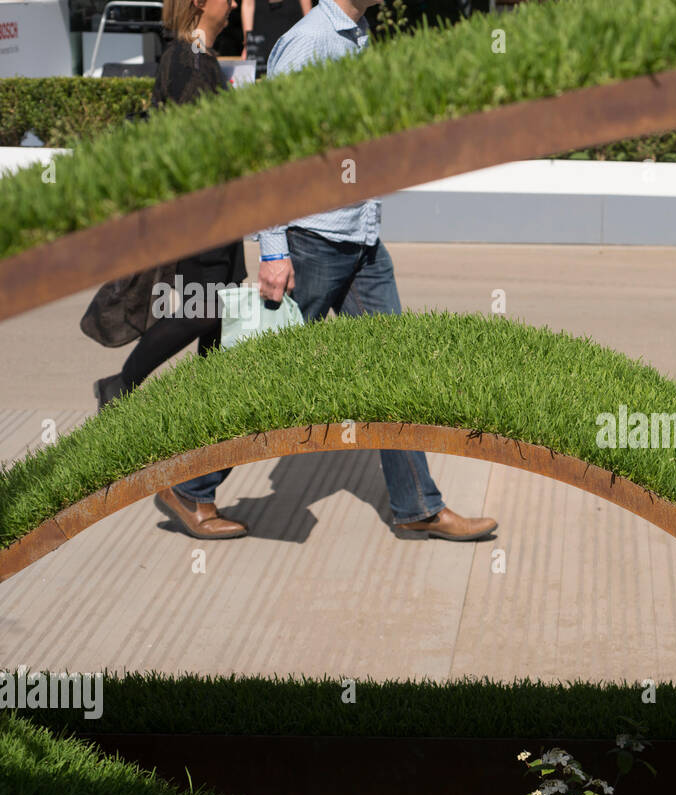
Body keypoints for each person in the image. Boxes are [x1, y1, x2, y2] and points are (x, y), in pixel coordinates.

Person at [257, 0, 497, 542]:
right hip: (313, 239)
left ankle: (416, 505)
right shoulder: (309, 41)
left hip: (360, 239)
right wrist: (272, 249)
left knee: (395, 371)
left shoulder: (358, 34)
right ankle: (192, 486)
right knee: (265, 378)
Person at [90, 0, 251, 539]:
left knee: (219, 341)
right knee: (205, 316)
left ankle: (194, 478)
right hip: (200, 222)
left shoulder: (200, 59)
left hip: (218, 222)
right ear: (204, 4)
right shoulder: (187, 59)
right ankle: (123, 383)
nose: (234, 3)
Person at [241, 0, 311, 78]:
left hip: (291, 17)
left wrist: (309, 36)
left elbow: (306, 3)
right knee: (261, 77)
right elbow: (248, 4)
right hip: (261, 24)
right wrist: (248, 44)